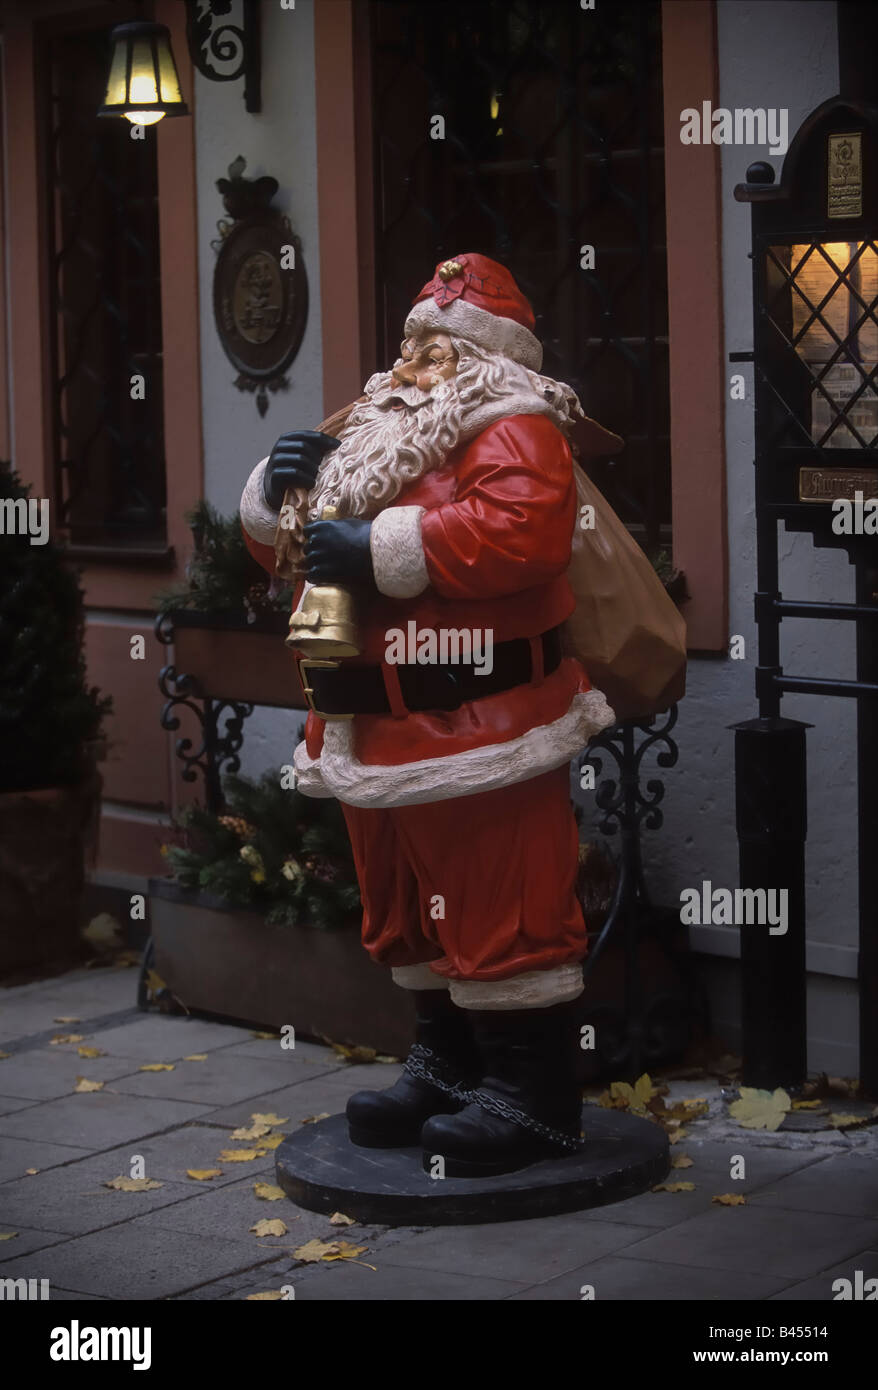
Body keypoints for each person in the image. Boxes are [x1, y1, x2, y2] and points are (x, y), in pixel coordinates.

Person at [240, 253, 624, 1177]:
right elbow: (287, 557)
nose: (423, 357)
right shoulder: (369, 427)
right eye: (415, 340)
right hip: (370, 724)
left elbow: (522, 534)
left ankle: (531, 1096)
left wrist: (376, 546)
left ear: (494, 355)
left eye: (445, 343)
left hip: (483, 720)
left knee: (502, 903)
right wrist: (274, 494)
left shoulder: (517, 423)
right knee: (408, 908)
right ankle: (448, 1066)